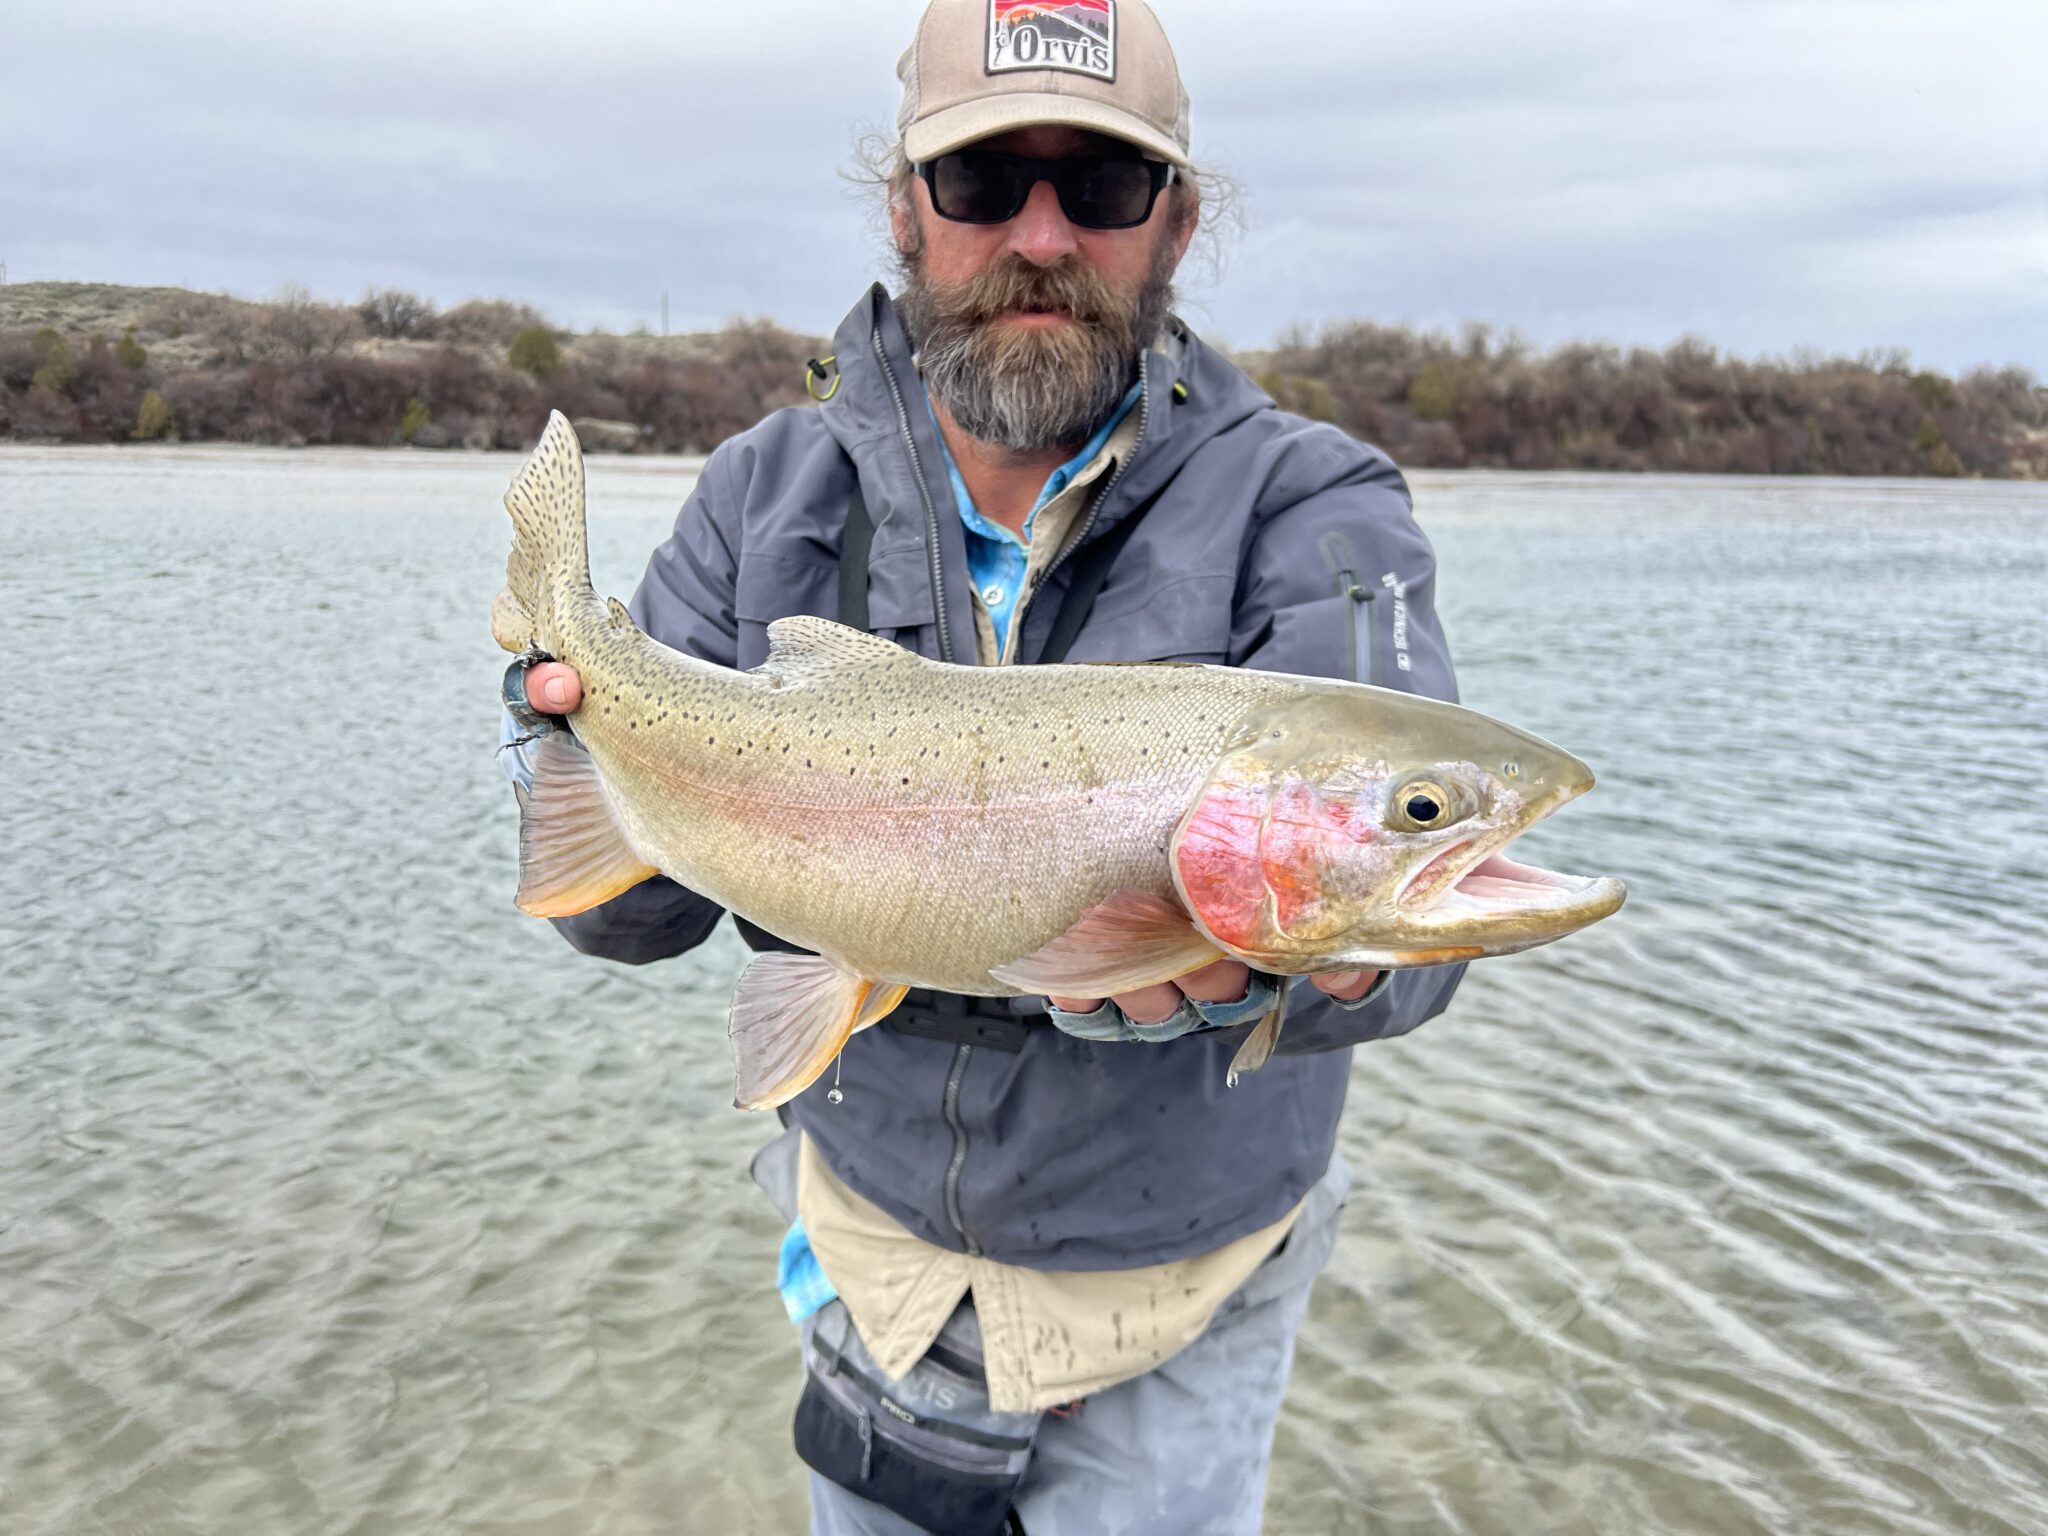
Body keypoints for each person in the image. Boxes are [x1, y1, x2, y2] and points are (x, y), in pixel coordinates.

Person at [502, 2, 1465, 1529]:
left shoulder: (1318, 502)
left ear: (1177, 222)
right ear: (904, 209)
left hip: (1186, 1280)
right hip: (867, 1252)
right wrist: (568, 734)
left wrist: (1312, 964)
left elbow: (1415, 948)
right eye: (981, 182)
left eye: (1099, 185)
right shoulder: (766, 491)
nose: (1041, 234)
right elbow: (619, 917)